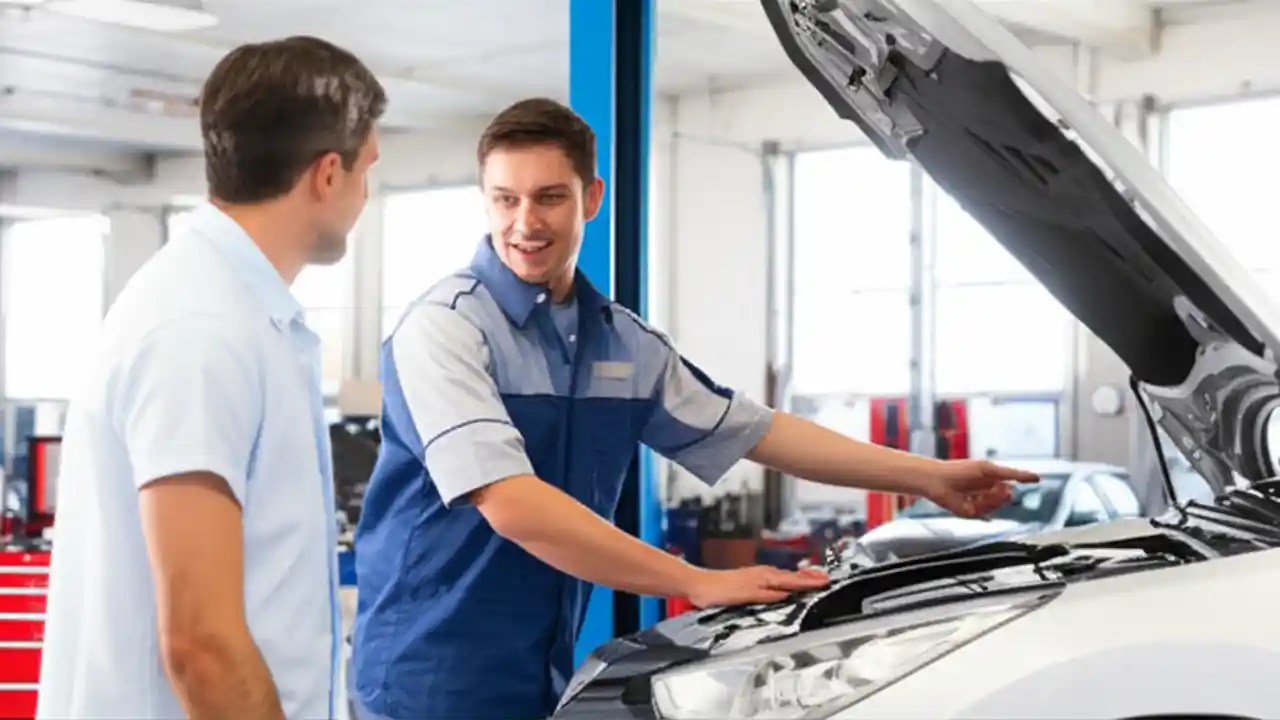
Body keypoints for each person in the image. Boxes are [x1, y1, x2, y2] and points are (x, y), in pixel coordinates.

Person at [350, 97, 1037, 720]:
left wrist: (927, 477)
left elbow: (756, 432)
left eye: (549, 198)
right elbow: (511, 503)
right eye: (505, 199)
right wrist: (695, 582)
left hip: (543, 672)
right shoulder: (444, 330)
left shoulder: (621, 342)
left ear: (592, 198)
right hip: (426, 679)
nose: (524, 223)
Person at [36, 37, 385, 720]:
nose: (367, 194)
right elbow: (201, 642)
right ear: (327, 175)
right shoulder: (201, 331)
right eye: (367, 171)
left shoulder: (236, 314)